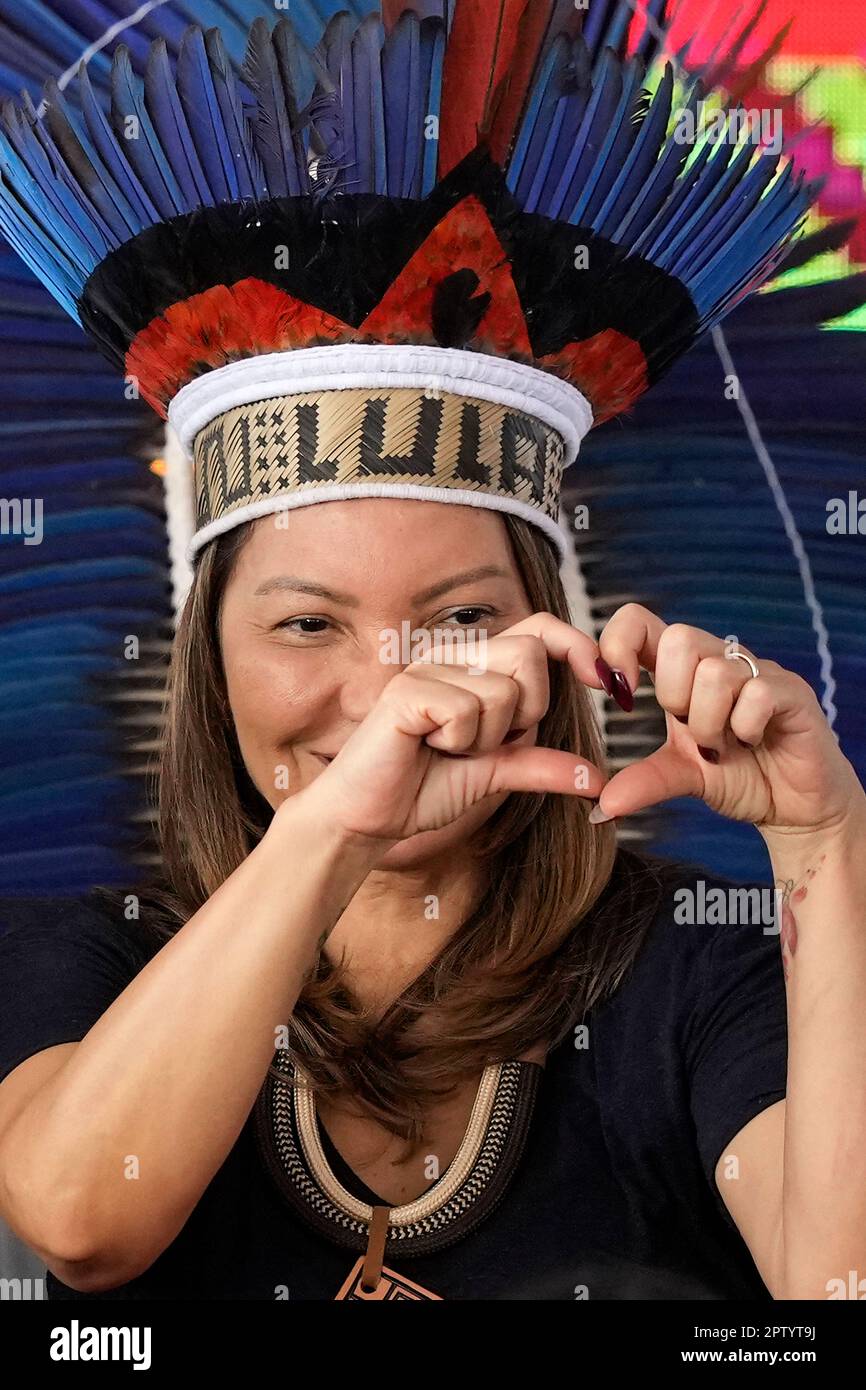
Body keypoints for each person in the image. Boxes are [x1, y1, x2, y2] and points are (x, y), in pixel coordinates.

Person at [0, 2, 865, 1302]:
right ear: (207, 666)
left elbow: (841, 1284)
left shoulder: (688, 980)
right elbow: (79, 1218)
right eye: (305, 623)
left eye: (460, 619)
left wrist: (821, 840)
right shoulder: (92, 955)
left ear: (554, 638)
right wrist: (333, 828)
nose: (397, 685)